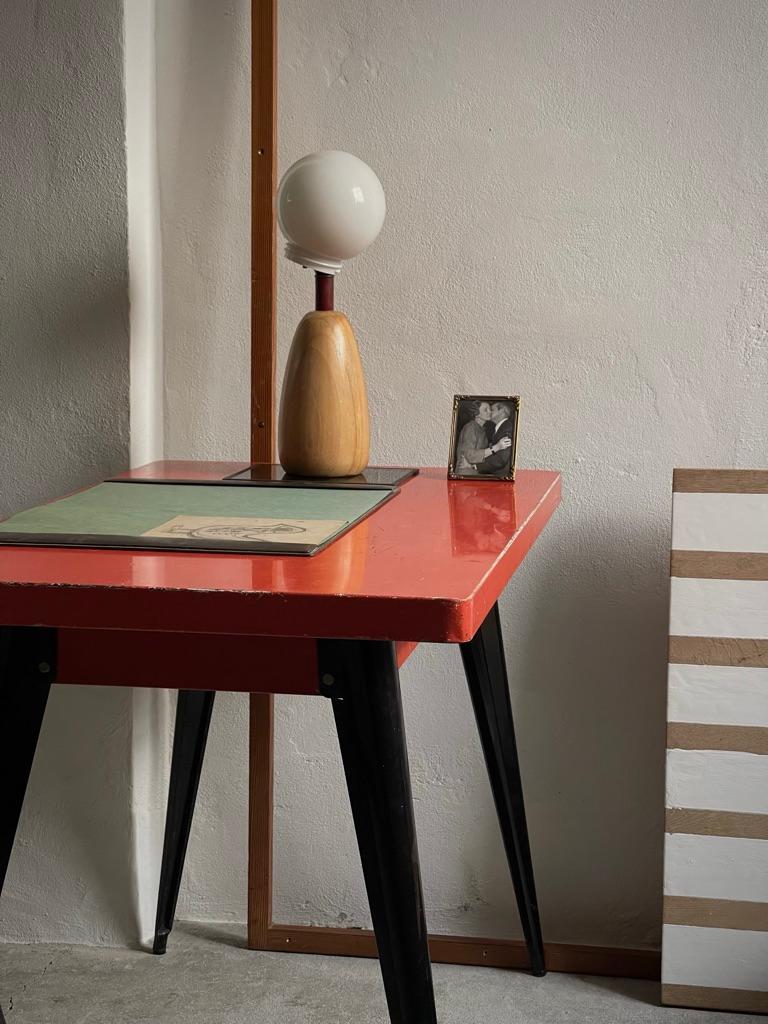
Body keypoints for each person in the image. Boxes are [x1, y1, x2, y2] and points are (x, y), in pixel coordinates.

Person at [455, 401, 511, 474]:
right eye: (485, 410)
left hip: (475, 472)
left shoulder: (482, 430)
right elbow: (469, 455)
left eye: (490, 409)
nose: (490, 412)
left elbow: (485, 455)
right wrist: (497, 447)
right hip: (465, 472)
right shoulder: (470, 427)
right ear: (477, 414)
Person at [476, 401, 515, 475]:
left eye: (492, 409)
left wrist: (476, 466)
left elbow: (501, 459)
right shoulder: (501, 427)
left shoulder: (508, 428)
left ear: (502, 411)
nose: (489, 412)